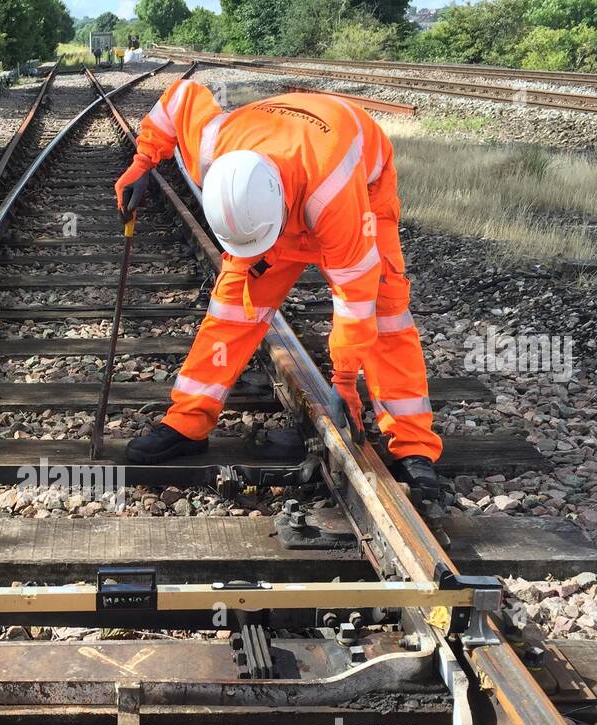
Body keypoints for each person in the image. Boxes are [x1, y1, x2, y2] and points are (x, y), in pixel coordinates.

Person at [113, 81, 442, 497]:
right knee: (233, 305)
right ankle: (187, 422)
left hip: (359, 189)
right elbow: (180, 98)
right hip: (281, 169)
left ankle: (413, 448)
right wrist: (144, 161)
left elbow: (355, 301)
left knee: (384, 311)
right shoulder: (215, 148)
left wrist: (343, 381)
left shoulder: (335, 197)